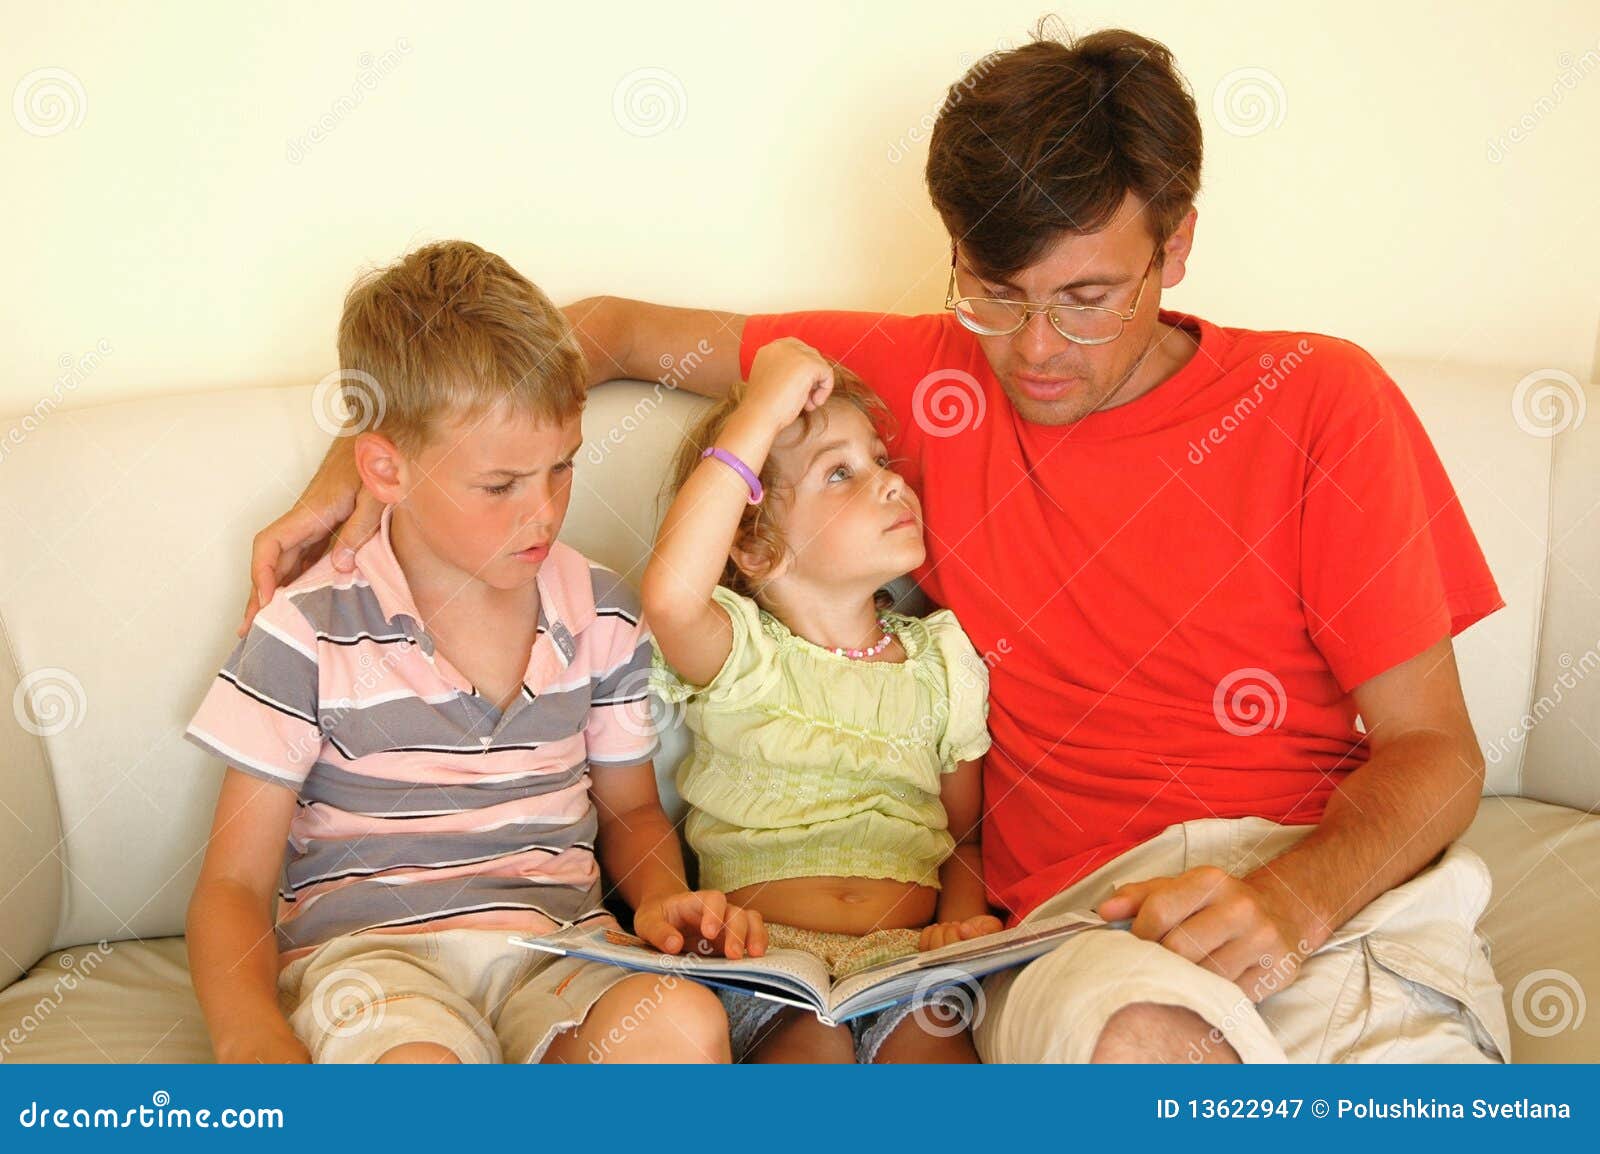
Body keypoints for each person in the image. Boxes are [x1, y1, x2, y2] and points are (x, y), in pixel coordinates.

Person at [242, 30, 1510, 1063]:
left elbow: (1437, 750)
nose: (1035, 351)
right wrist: (350, 476)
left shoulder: (1318, 399)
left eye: (1085, 297)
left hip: (1328, 890)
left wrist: (1293, 898)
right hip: (1097, 935)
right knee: (1144, 1045)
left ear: (1173, 246)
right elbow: (602, 330)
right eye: (994, 292)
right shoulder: (919, 382)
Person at [185, 240, 741, 1064]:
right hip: (378, 972)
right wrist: (251, 1037)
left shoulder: (601, 611)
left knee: (684, 1024)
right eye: (500, 485)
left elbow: (631, 813)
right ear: (385, 470)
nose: (543, 511)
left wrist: (661, 895)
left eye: (562, 468)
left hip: (561, 956)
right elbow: (233, 884)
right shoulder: (305, 630)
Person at [643, 338, 998, 1062]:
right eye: (840, 472)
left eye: (881, 460)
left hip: (908, 961)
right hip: (766, 961)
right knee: (815, 1054)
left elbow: (966, 840)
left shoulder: (942, 661)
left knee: (935, 1060)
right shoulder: (742, 653)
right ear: (756, 548)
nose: (891, 483)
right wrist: (762, 409)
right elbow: (671, 597)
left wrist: (960, 928)